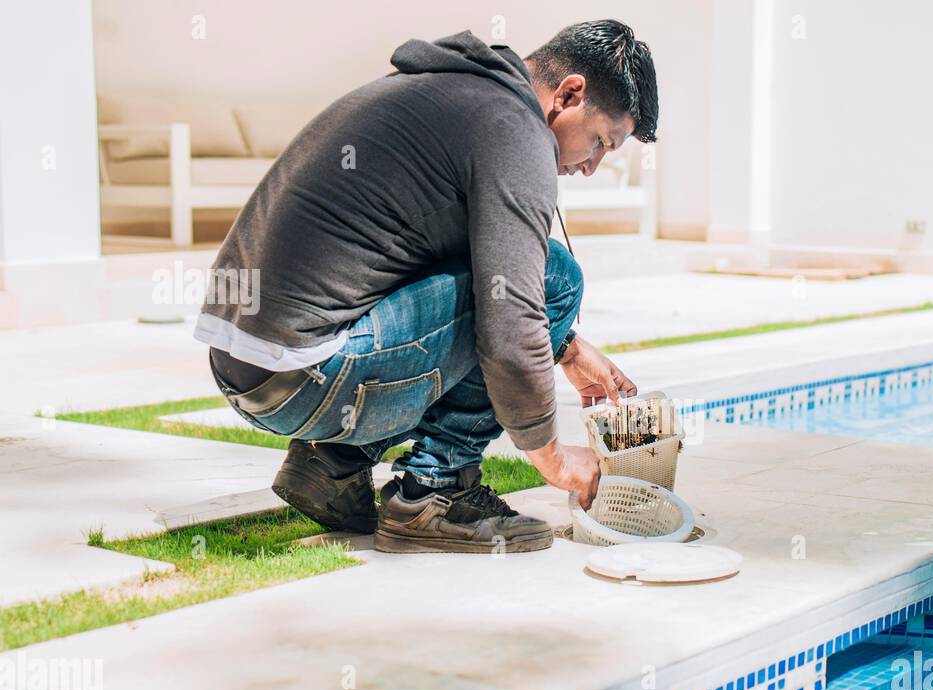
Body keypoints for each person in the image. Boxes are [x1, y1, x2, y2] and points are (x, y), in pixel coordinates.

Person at [196, 21, 658, 553]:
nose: (592, 166)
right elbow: (512, 326)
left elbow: (446, 262)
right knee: (556, 277)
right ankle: (437, 493)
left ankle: (333, 463)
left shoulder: (454, 92)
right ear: (570, 93)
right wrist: (555, 459)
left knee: (511, 278)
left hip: (248, 366)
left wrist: (569, 349)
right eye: (601, 141)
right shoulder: (515, 130)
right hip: (307, 373)